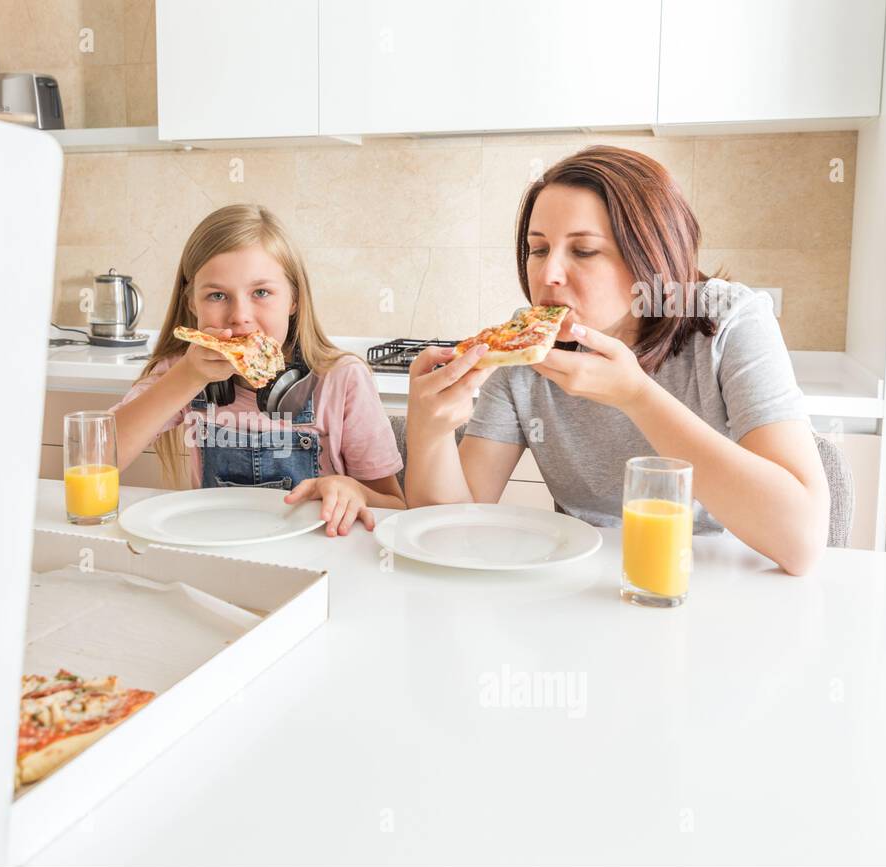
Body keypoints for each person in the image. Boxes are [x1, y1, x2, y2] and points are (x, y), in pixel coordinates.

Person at [404, 146, 828, 574]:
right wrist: (430, 432)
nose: (548, 274)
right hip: (577, 586)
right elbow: (450, 530)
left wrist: (637, 397)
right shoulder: (524, 346)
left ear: (652, 255)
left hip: (722, 582)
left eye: (584, 251)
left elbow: (802, 542)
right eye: (538, 249)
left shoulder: (729, 320)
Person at [110, 204, 405, 537]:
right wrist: (187, 378)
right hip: (215, 547)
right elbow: (97, 460)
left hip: (317, 556)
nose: (240, 316)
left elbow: (394, 508)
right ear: (192, 302)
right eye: (217, 295)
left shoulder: (342, 378)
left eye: (261, 292)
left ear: (294, 298)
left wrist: (354, 490)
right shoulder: (181, 372)